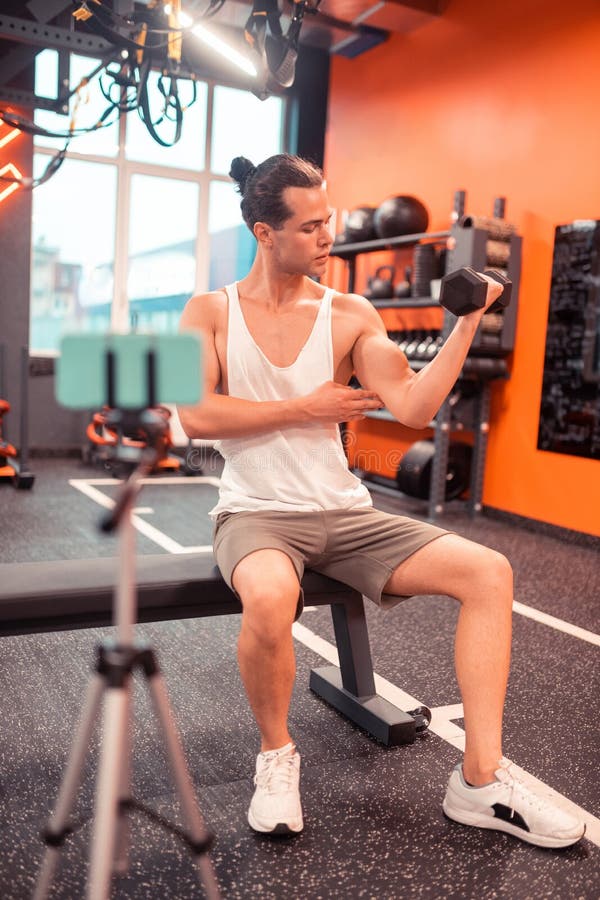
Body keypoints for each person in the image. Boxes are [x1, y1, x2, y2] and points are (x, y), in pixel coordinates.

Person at [178, 153, 584, 849]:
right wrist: (307, 407)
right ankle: (276, 760)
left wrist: (466, 325)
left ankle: (479, 784)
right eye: (309, 228)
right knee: (272, 599)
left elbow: (416, 406)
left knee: (490, 573)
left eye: (328, 221)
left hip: (344, 514)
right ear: (264, 233)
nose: (327, 237)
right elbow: (195, 417)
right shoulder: (211, 312)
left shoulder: (349, 314)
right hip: (256, 512)